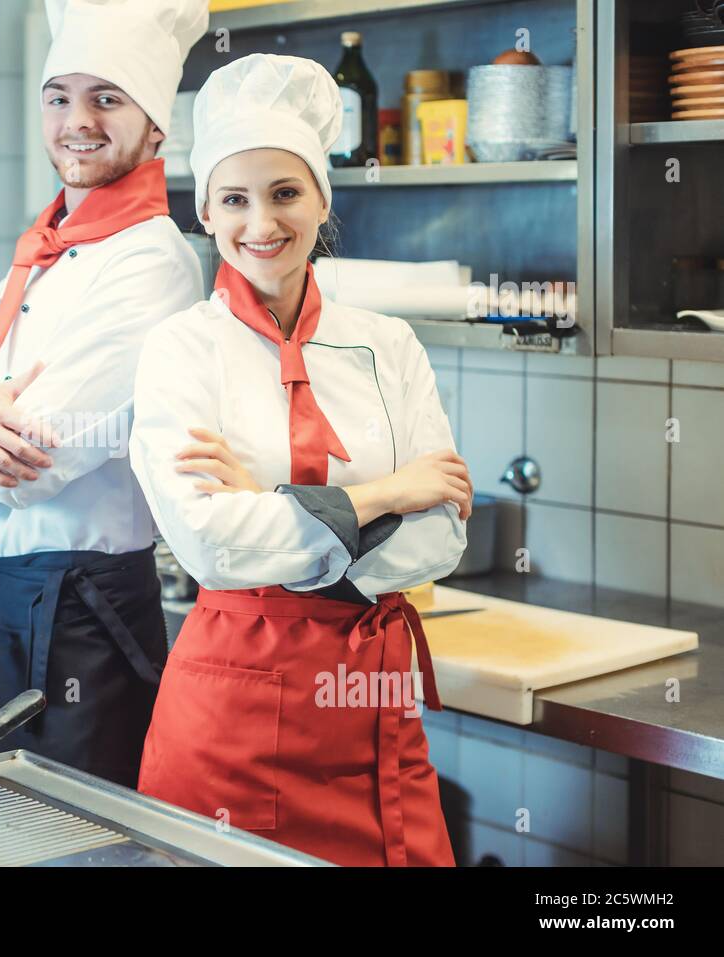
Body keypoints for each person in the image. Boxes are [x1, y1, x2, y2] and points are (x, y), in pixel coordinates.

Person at [129, 53, 473, 865]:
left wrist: (274, 509)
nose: (262, 223)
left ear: (323, 197)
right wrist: (381, 493)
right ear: (206, 213)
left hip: (376, 705)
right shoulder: (181, 351)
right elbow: (211, 544)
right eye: (235, 199)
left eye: (285, 193)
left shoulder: (389, 344)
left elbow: (443, 536)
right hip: (232, 723)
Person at [0, 0, 209, 788]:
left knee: (78, 837)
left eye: (107, 98)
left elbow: (23, 457)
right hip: (10, 594)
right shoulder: (47, 246)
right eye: (59, 96)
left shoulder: (152, 262)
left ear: (156, 126)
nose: (76, 121)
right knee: (13, 817)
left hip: (86, 611)